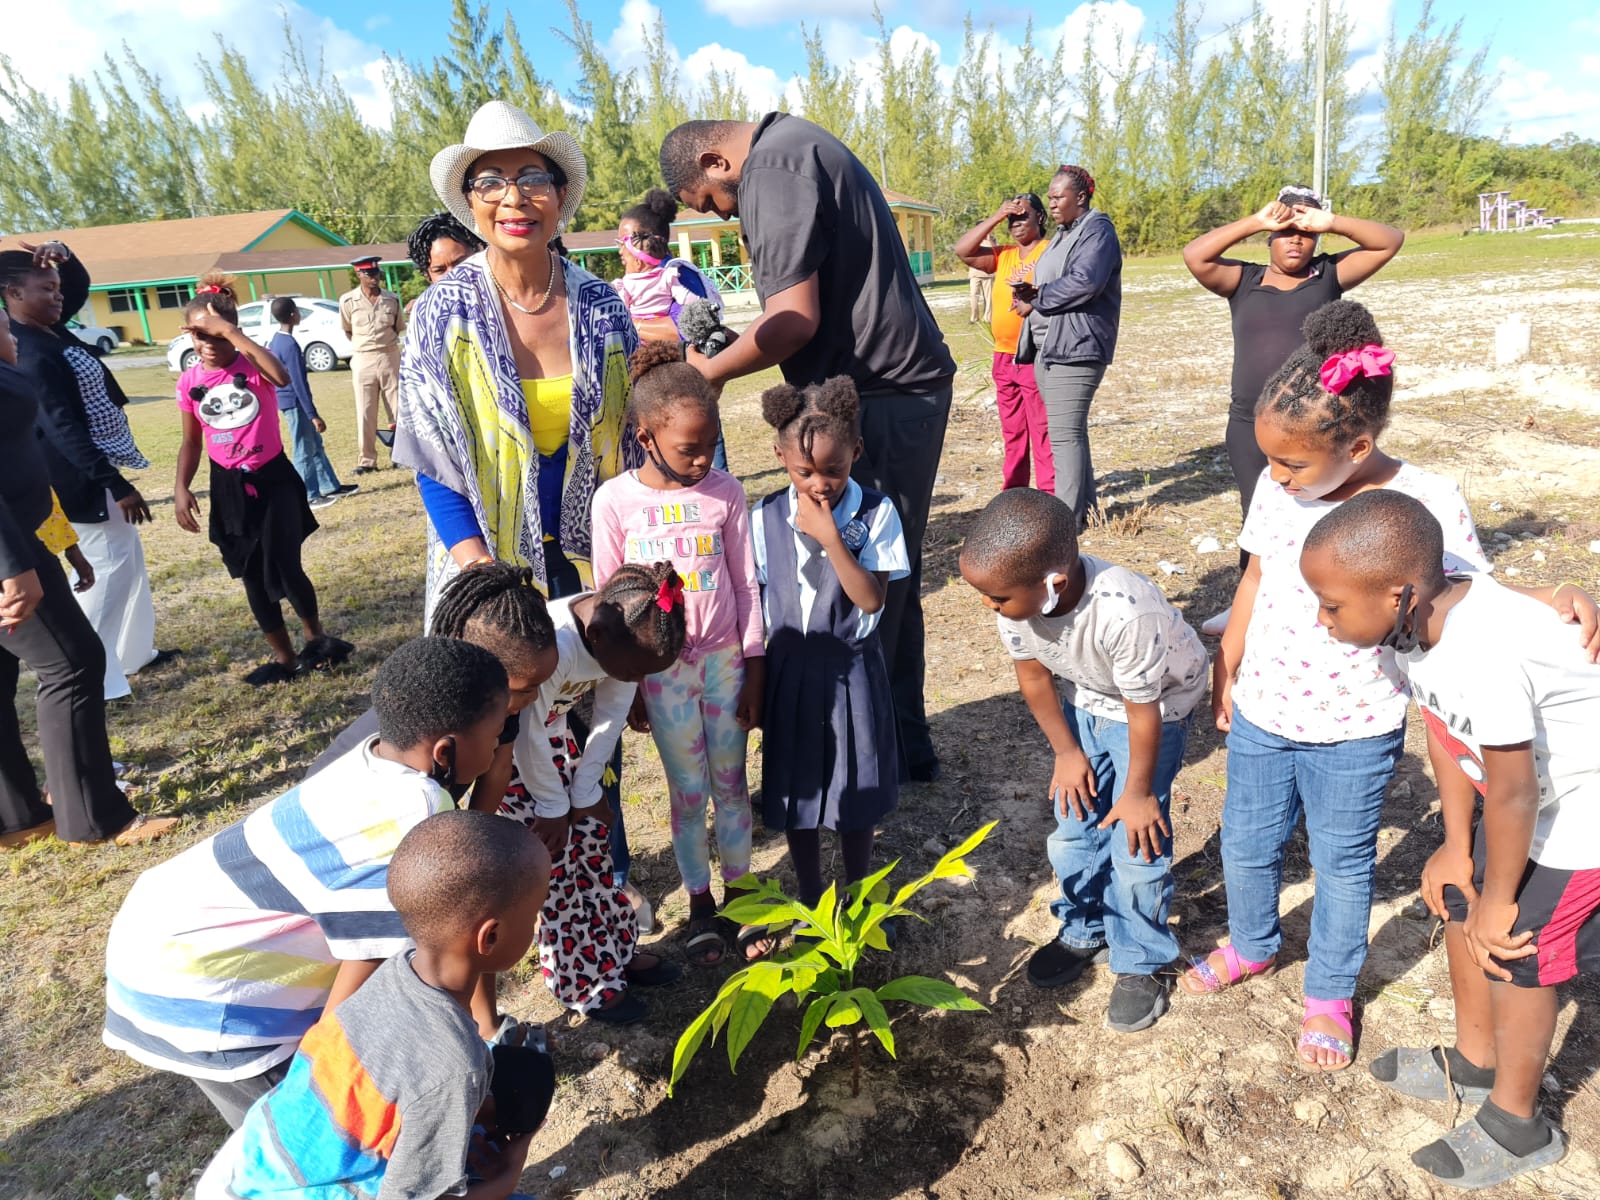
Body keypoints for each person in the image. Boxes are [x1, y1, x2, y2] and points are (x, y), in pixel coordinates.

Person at [1183, 299, 1600, 1073]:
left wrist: (1555, 597)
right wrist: (1230, 658)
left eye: (1293, 464)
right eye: (1270, 462)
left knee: (1343, 862)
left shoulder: (1429, 498)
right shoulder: (1281, 490)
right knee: (1246, 842)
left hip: (1357, 721)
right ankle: (1250, 943)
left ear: (1359, 444)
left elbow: (1469, 588)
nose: (1275, 478)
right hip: (1267, 707)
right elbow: (1256, 572)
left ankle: (1330, 992)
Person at [398, 99, 646, 915]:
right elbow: (433, 461)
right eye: (491, 181)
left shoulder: (602, 306)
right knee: (495, 750)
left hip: (584, 564)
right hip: (484, 574)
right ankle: (497, 929)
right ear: (470, 202)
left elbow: (628, 445)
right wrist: (486, 581)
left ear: (559, 195)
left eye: (531, 177)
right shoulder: (440, 313)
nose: (513, 197)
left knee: (588, 749)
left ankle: (596, 928)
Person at [102, 637, 513, 1129]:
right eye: (494, 735)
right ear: (445, 750)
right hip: (203, 992)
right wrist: (323, 1073)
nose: (497, 748)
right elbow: (368, 960)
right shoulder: (419, 814)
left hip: (157, 941)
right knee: (304, 1135)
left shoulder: (368, 760)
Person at [1302, 492, 1591, 1189]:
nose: (1322, 619)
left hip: (1582, 813)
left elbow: (1518, 790)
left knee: (1517, 941)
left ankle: (1517, 1123)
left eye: (1332, 606)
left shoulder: (1483, 653)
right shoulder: (1416, 614)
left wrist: (1501, 900)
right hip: (1517, 795)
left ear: (1400, 594)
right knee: (1461, 899)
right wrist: (1456, 844)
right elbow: (1443, 727)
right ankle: (1473, 1059)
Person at [660, 115, 956, 782]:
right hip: (884, 389)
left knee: (859, 572)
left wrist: (703, 374)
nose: (727, 214)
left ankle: (865, 753)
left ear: (714, 162)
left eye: (714, 203)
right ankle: (900, 744)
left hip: (879, 395)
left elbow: (793, 318)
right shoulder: (797, 148)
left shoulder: (772, 167)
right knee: (887, 572)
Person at [194, 808, 552, 1200]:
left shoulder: (394, 974)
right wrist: (507, 1175)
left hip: (253, 1164)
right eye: (533, 914)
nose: (537, 925)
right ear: (491, 936)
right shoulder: (452, 1065)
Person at [960, 489, 1207, 1031]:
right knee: (1074, 826)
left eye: (998, 598)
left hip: (1156, 710)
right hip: (1087, 697)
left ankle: (1142, 957)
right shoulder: (1015, 603)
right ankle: (1084, 924)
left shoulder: (1125, 612)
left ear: (1053, 586)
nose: (990, 607)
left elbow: (1143, 713)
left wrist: (1138, 794)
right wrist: (1067, 752)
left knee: (1135, 839)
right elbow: (1033, 678)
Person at [590, 344, 764, 967]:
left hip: (724, 667)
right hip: (663, 678)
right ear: (645, 438)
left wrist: (754, 668)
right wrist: (630, 683)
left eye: (711, 443)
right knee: (688, 792)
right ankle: (699, 903)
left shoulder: (727, 494)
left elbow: (746, 584)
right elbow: (610, 604)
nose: (703, 458)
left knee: (733, 784)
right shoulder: (614, 503)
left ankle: (742, 895)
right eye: (690, 447)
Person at [1182, 186, 1404, 632]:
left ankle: (1321, 599)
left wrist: (1332, 222)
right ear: (1269, 237)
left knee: (1318, 507)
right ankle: (1250, 603)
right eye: (1284, 231)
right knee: (1257, 511)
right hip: (1249, 422)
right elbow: (1195, 256)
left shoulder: (1329, 276)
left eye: (1304, 232)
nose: (1295, 240)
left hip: (1314, 425)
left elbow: (1389, 240)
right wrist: (1255, 220)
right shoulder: (1243, 281)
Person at [0, 311, 174, 849]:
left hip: (27, 538)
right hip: (13, 552)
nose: (9, 333)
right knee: (73, 664)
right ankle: (94, 818)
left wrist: (60, 543)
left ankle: (18, 815)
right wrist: (12, 566)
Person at [501, 561, 687, 1023]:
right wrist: (552, 806)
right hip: (516, 768)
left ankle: (614, 956)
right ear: (599, 637)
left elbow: (609, 717)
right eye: (632, 670)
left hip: (560, 748)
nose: (633, 678)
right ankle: (579, 981)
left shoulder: (621, 639)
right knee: (557, 876)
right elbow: (525, 734)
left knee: (595, 853)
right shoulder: (554, 644)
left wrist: (585, 791)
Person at [751, 377, 908, 923]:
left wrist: (830, 539)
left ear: (856, 453)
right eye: (804, 472)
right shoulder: (762, 518)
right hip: (790, 671)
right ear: (780, 458)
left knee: (855, 784)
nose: (820, 484)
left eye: (834, 471)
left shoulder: (878, 514)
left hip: (853, 671)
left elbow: (869, 600)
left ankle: (858, 891)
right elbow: (758, 603)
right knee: (799, 788)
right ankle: (812, 893)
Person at [2, 241, 166, 702]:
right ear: (12, 293)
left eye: (57, 289)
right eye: (46, 288)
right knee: (107, 576)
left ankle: (135, 654)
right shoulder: (30, 349)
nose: (59, 297)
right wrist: (113, 483)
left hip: (100, 468)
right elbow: (61, 429)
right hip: (79, 481)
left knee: (128, 565)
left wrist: (64, 259)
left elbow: (76, 288)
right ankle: (98, 678)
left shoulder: (50, 328)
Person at [173, 274, 354, 685]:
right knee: (252, 576)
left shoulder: (252, 363)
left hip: (272, 479)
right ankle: (285, 658)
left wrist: (232, 334)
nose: (208, 346)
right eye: (199, 337)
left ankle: (316, 640)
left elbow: (282, 377)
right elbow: (190, 441)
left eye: (216, 337)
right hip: (228, 487)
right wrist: (181, 488)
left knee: (287, 566)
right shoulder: (189, 382)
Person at [1008, 166, 1121, 529]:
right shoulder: (1063, 233)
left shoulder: (1097, 230)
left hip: (1076, 348)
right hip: (1051, 348)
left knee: (1064, 436)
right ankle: (1084, 512)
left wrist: (1039, 297)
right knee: (1071, 433)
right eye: (1051, 197)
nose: (1052, 203)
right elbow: (1052, 283)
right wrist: (1029, 297)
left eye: (1059, 197)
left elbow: (1085, 282)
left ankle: (1066, 522)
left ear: (1081, 198)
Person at [613, 187, 730, 470]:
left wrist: (630, 324)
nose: (619, 249)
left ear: (646, 241)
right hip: (653, 392)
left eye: (622, 240)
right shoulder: (630, 282)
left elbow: (686, 330)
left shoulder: (679, 274)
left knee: (705, 471)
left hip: (688, 391)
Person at [955, 193, 1055, 492]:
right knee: (1013, 433)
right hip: (1003, 356)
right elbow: (963, 250)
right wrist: (997, 215)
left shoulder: (1051, 252)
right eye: (1012, 218)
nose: (1016, 222)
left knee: (1041, 431)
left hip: (1035, 354)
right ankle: (1015, 493)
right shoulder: (1005, 255)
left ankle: (1050, 496)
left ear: (1040, 216)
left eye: (1023, 215)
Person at [267, 297, 357, 510]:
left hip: (293, 401)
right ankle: (309, 494)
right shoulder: (287, 344)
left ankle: (329, 486)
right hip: (295, 403)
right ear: (292, 314)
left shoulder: (278, 339)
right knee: (303, 450)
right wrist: (312, 413)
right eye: (297, 311)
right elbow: (298, 382)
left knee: (315, 445)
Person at [339, 254, 402, 474]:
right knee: (365, 411)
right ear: (359, 274)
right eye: (369, 274)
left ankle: (401, 454)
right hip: (363, 358)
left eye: (376, 273)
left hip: (389, 356)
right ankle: (367, 460)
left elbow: (397, 327)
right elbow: (348, 330)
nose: (375, 278)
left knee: (398, 409)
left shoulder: (391, 299)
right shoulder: (348, 301)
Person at [408, 210, 486, 285]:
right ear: (427, 276)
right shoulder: (427, 298)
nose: (453, 276)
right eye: (440, 270)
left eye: (461, 263)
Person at [967, 238, 994, 324]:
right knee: (974, 295)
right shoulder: (973, 241)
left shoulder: (991, 241)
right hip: (975, 273)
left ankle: (987, 317)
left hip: (987, 273)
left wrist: (989, 239)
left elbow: (995, 251)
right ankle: (974, 317)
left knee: (988, 297)